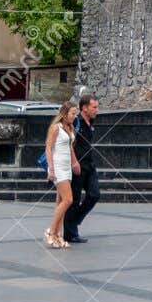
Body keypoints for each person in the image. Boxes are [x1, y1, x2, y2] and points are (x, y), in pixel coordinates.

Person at [63, 93, 100, 244]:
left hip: (89, 165)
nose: (97, 110)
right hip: (77, 166)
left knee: (94, 194)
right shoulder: (76, 122)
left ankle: (75, 221)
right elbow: (68, 143)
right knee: (74, 200)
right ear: (84, 108)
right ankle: (70, 233)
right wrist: (73, 162)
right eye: (94, 107)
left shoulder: (91, 122)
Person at [44, 100, 79, 249]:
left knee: (60, 202)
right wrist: (51, 168)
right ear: (64, 114)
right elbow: (48, 148)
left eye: (75, 113)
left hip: (66, 167)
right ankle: (51, 232)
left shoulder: (69, 128)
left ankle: (59, 235)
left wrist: (74, 162)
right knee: (68, 200)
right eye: (72, 113)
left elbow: (69, 147)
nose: (74, 116)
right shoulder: (55, 127)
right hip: (57, 167)